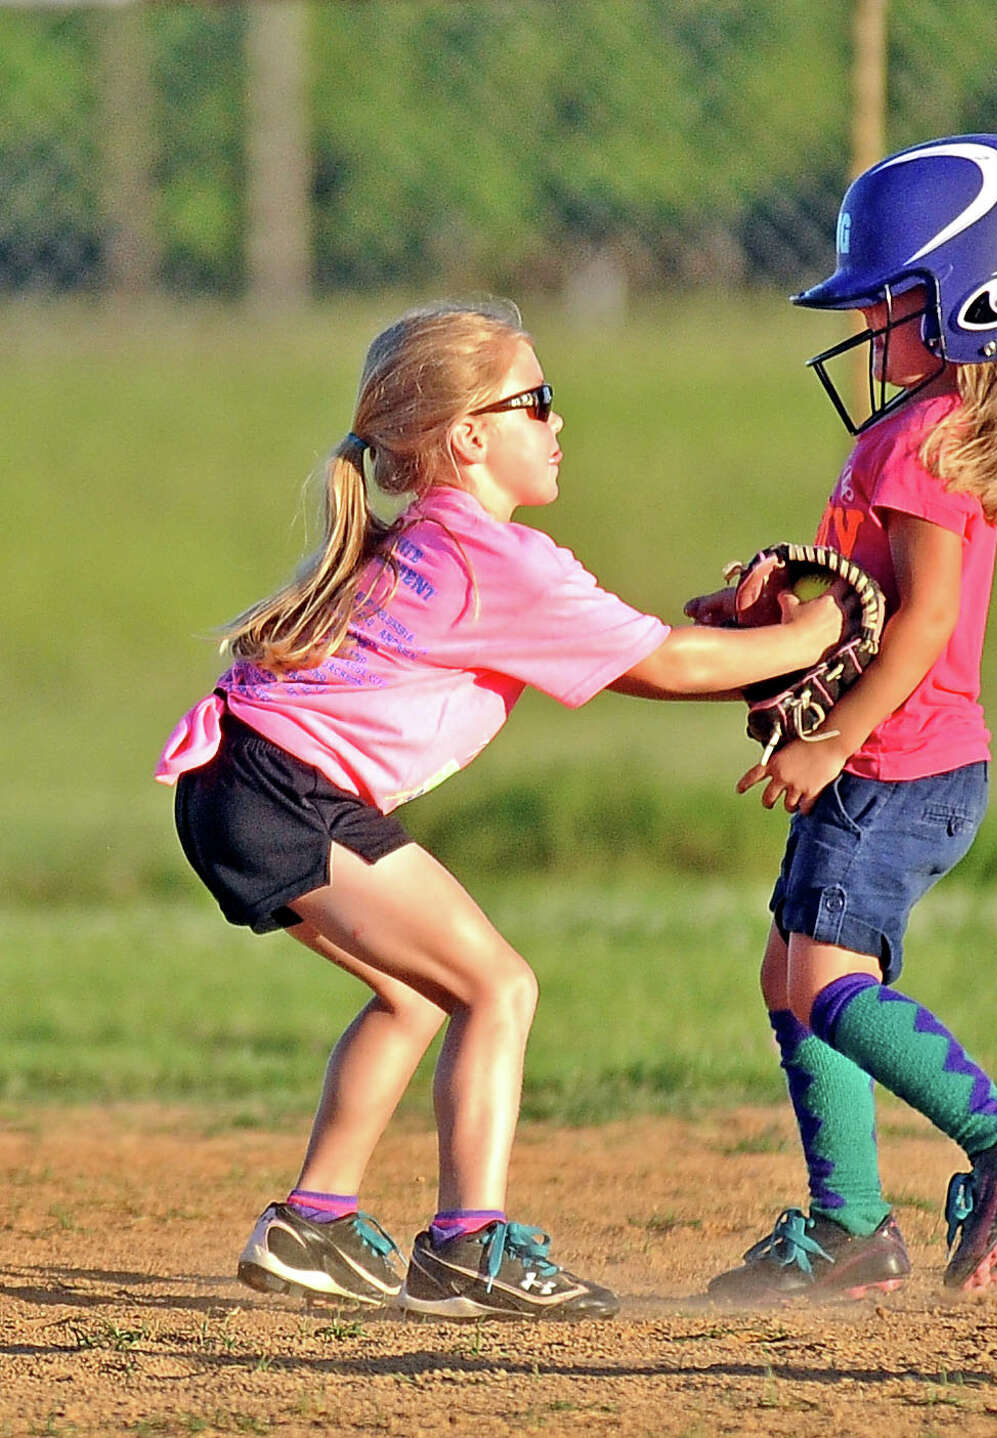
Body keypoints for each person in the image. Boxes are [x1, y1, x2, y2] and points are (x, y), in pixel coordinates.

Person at [154, 299, 846, 1322]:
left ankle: (315, 1225)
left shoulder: (439, 541)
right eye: (538, 401)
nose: (558, 424)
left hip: (241, 784)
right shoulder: (496, 559)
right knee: (498, 987)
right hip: (284, 791)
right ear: (469, 436)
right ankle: (469, 1245)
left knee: (419, 993)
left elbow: (656, 645)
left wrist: (749, 639)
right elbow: (664, 664)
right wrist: (816, 630)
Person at [691, 135, 997, 1302]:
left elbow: (919, 625)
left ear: (976, 303)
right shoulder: (926, 430)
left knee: (820, 970)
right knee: (790, 969)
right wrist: (774, 612)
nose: (868, 322)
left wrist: (829, 739)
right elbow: (871, 602)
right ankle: (851, 1226)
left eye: (889, 299)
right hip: (900, 757)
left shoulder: (923, 439)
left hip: (896, 763)